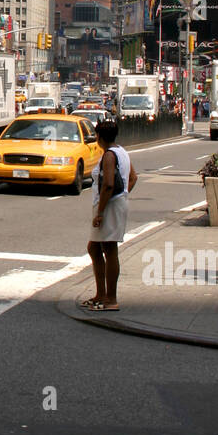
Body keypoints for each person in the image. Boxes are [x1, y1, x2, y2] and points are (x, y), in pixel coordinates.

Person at [83, 119, 137, 311]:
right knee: (94, 249)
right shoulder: (121, 151)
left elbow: (108, 185)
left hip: (108, 207)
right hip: (115, 204)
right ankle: (101, 294)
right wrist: (123, 196)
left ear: (99, 136)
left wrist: (101, 211)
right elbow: (133, 178)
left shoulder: (109, 156)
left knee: (109, 249)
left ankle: (110, 299)